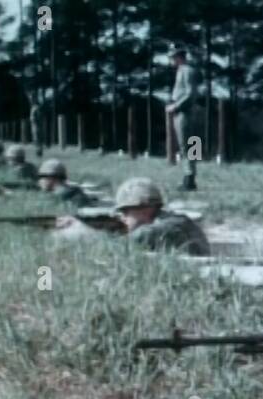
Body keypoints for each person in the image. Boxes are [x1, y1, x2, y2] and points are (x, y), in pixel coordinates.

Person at [55, 177, 210, 254]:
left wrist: (82, 231)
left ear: (146, 209)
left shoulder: (159, 229)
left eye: (125, 211)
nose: (122, 217)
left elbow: (116, 248)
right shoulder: (168, 220)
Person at [165, 45, 198, 191]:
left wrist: (176, 106)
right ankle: (189, 178)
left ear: (179, 57)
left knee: (189, 145)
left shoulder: (187, 71)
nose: (171, 60)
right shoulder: (181, 71)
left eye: (172, 57)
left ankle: (190, 179)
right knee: (189, 145)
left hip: (185, 113)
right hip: (182, 112)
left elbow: (190, 94)